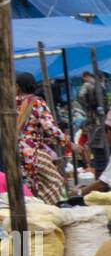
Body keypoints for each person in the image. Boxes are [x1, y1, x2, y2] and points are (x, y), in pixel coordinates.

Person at [15, 72, 66, 205]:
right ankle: (43, 209)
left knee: (27, 187)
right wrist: (67, 142)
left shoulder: (9, 103)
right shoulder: (36, 102)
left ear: (18, 87)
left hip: (11, 151)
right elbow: (49, 128)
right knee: (56, 181)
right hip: (30, 151)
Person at [77, 69, 108, 174]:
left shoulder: (87, 85)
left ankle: (92, 166)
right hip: (103, 117)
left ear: (86, 76)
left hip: (92, 116)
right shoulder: (101, 85)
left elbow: (80, 96)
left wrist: (86, 106)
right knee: (101, 142)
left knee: (93, 143)